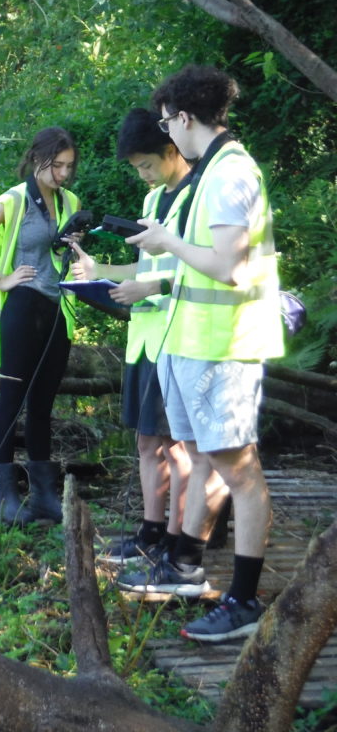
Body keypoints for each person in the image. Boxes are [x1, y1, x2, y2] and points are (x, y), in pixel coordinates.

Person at [118, 65, 285, 642]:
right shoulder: (212, 171)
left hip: (225, 345)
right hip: (191, 342)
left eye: (167, 121)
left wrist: (166, 242)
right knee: (209, 460)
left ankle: (243, 600)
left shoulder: (232, 173)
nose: (167, 132)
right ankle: (186, 563)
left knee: (241, 472)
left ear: (184, 118)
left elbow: (229, 267)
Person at [69, 109, 229, 569]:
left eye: (146, 165)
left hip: (176, 336)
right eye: (136, 168)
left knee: (179, 447)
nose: (142, 175)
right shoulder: (155, 201)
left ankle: (177, 538)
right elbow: (146, 270)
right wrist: (100, 273)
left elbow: (201, 266)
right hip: (144, 337)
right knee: (146, 443)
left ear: (172, 149)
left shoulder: (198, 196)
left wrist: (150, 288)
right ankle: (151, 529)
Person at [0, 127, 81, 525]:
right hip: (22, 306)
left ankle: (44, 494)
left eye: (69, 167)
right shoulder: (14, 199)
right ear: (37, 159)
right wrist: (1, 280)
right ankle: (7, 495)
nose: (62, 174)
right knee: (12, 398)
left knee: (43, 404)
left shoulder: (69, 200)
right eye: (56, 165)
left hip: (57, 307)